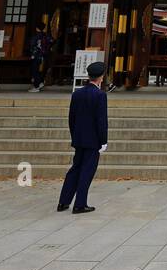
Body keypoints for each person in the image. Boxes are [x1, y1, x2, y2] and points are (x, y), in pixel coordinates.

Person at [57, 61, 108, 214]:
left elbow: (71, 118)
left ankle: (63, 202)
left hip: (79, 138)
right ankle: (80, 204)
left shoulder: (77, 93)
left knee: (75, 169)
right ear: (101, 77)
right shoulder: (100, 95)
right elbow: (101, 120)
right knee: (87, 171)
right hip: (93, 140)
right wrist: (103, 140)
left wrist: (75, 135)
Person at [27, 25, 52, 92]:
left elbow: (32, 45)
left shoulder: (36, 36)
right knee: (40, 70)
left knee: (35, 70)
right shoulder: (46, 36)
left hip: (36, 55)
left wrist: (32, 54)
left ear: (37, 28)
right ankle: (41, 82)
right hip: (44, 56)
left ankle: (36, 86)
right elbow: (51, 42)